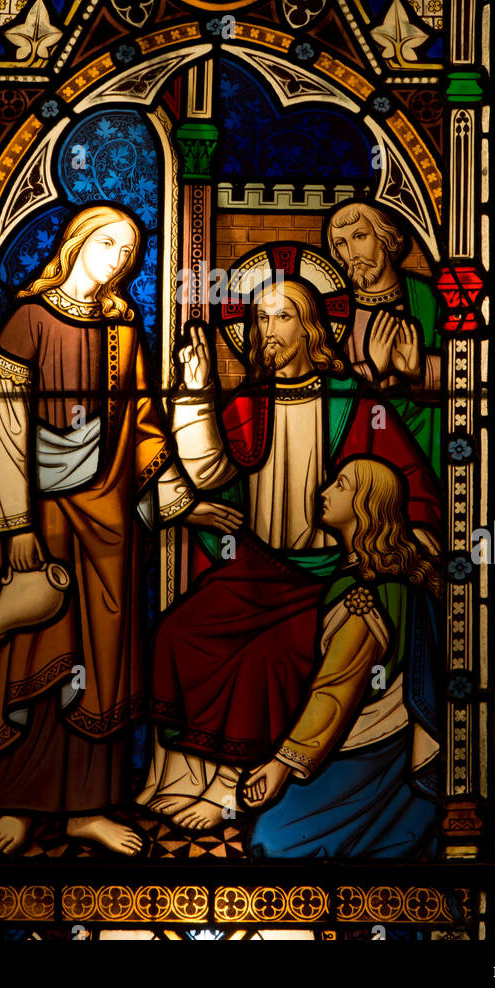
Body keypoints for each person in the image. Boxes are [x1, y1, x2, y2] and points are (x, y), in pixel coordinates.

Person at [138, 277, 440, 830]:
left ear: (311, 328)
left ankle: (230, 790)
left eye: (280, 318)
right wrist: (194, 394)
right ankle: (179, 779)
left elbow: (410, 478)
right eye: (259, 320)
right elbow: (211, 472)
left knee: (269, 655)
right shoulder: (249, 402)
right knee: (176, 632)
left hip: (326, 576)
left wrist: (415, 538)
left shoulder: (352, 401)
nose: (267, 332)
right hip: (256, 568)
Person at [0, 204, 233, 856]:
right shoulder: (29, 320)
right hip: (43, 514)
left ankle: (86, 808)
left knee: (103, 664)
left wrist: (176, 494)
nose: (119, 257)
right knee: (38, 646)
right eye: (108, 242)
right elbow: (5, 431)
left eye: (130, 250)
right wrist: (13, 526)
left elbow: (144, 421)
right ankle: (14, 800)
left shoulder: (123, 325)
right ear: (76, 243)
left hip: (112, 521)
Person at [244, 455, 442, 859]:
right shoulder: (374, 579)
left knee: (271, 842)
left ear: (367, 503)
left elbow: (336, 692)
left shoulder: (365, 594)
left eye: (341, 485)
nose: (324, 491)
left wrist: (282, 765)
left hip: (371, 758)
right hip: (384, 753)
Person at [326, 202, 440, 466]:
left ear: (385, 238)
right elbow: (318, 385)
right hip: (355, 442)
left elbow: (468, 367)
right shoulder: (332, 311)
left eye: (359, 236)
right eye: (341, 244)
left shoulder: (429, 299)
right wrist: (370, 369)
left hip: (420, 438)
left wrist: (421, 370)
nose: (352, 253)